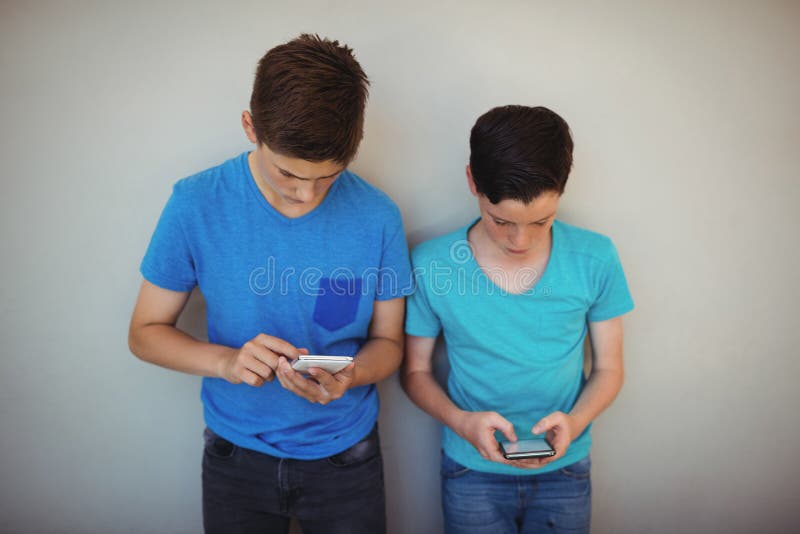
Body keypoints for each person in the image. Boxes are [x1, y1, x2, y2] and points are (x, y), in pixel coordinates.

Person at [128, 34, 412, 534]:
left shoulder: (378, 217)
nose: (306, 195)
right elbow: (145, 332)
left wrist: (352, 373)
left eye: (328, 176)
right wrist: (226, 362)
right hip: (235, 456)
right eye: (288, 173)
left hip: (347, 456)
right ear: (249, 127)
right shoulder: (196, 203)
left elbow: (388, 344)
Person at [402, 105, 634, 533]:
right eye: (501, 220)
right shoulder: (432, 264)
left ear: (562, 190)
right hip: (470, 471)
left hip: (565, 469)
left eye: (541, 221)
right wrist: (462, 423)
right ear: (473, 181)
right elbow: (414, 372)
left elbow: (609, 368)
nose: (519, 240)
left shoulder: (595, 257)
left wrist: (576, 421)